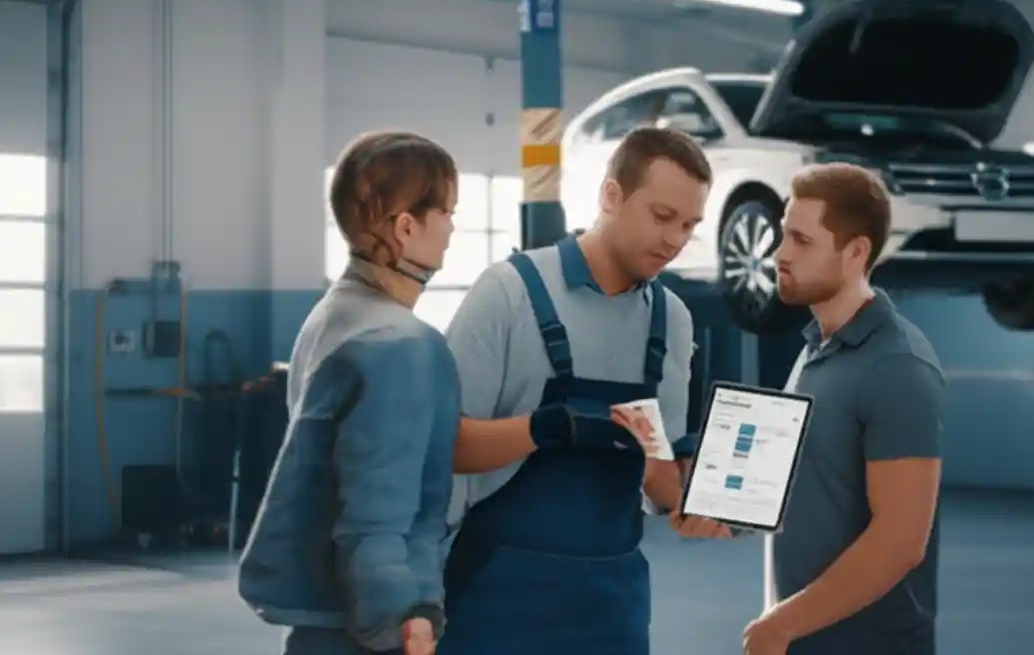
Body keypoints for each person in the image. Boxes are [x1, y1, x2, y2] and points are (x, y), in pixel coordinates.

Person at [437, 126, 732, 655]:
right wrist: (543, 428)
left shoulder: (672, 319)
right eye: (662, 216)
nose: (674, 239)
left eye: (689, 225)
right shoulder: (508, 292)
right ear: (611, 195)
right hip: (496, 597)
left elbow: (660, 475)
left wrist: (703, 504)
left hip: (612, 608)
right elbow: (446, 446)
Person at [238, 131, 462, 655]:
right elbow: (375, 520)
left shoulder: (328, 319)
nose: (453, 227)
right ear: (407, 227)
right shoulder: (402, 345)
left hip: (317, 627)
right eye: (447, 212)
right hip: (370, 629)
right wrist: (403, 624)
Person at [742, 163, 945, 655]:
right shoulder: (816, 348)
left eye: (801, 240)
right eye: (783, 235)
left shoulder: (897, 365)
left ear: (855, 252)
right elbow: (805, 485)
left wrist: (781, 625)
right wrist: (720, 512)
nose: (780, 254)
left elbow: (901, 539)